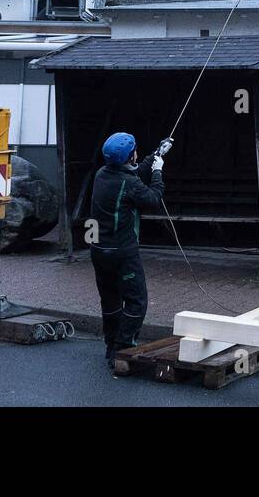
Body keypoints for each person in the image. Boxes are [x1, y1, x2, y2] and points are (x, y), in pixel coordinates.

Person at [89, 131, 169, 367]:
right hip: (123, 253)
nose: (137, 153)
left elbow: (131, 172)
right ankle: (123, 351)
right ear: (129, 156)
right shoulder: (129, 183)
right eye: (135, 150)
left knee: (111, 302)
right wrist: (157, 171)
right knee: (136, 302)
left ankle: (111, 346)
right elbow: (153, 198)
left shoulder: (101, 175)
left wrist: (157, 153)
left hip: (99, 251)